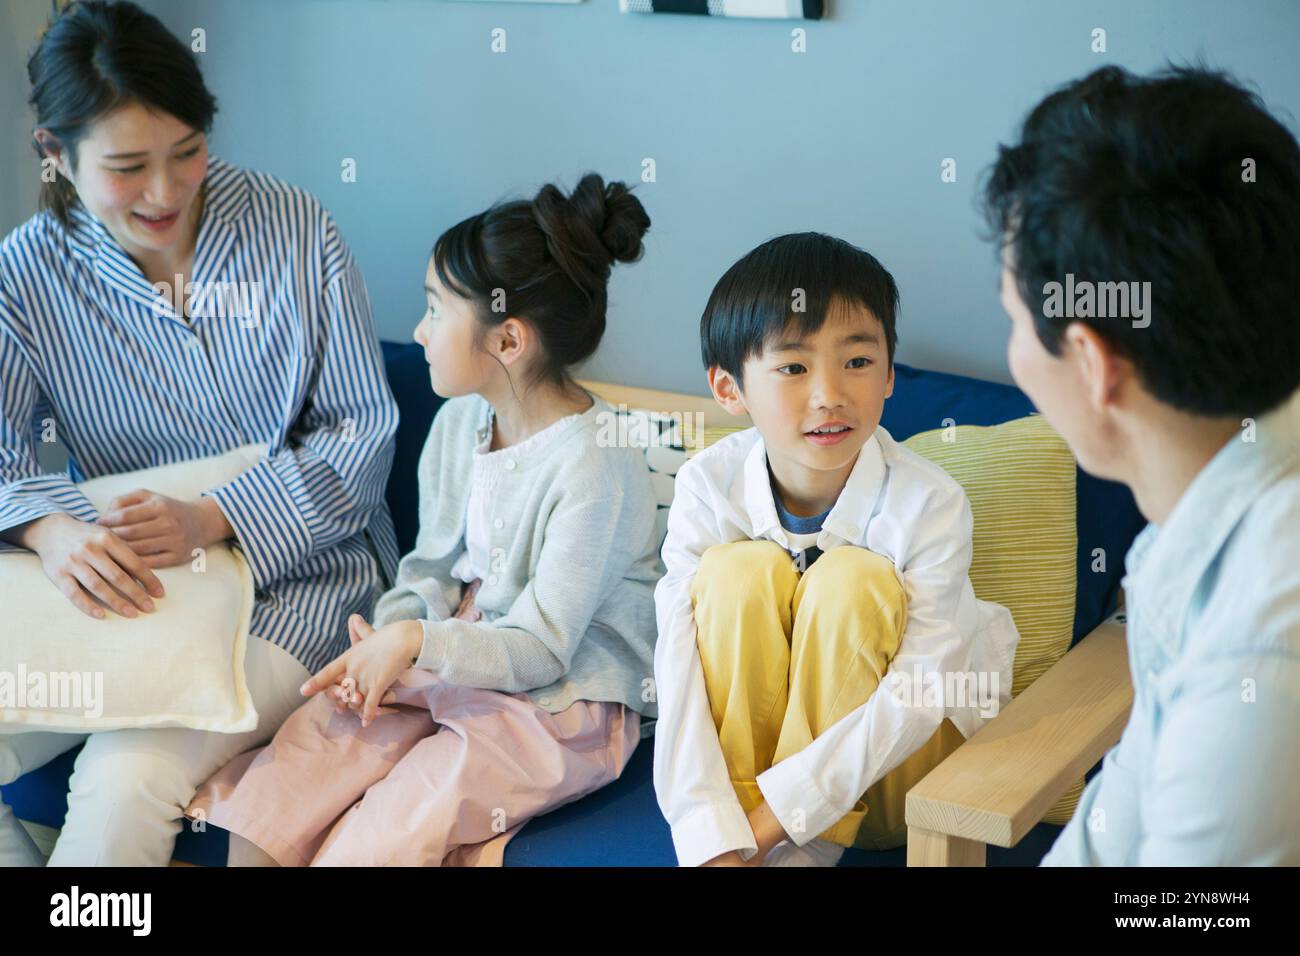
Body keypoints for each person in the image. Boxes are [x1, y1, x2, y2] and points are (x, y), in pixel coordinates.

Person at [0, 0, 398, 866]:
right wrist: (51, 528)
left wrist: (214, 517)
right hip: (128, 593)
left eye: (187, 152)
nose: (166, 191)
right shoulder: (26, 272)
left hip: (305, 585)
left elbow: (362, 435)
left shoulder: (296, 228)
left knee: (126, 775)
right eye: (128, 167)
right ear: (56, 157)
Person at [186, 173, 664, 867]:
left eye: (436, 311)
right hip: (454, 651)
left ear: (507, 341)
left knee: (392, 829)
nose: (418, 332)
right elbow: (432, 568)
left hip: (561, 696)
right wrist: (383, 640)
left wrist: (414, 641)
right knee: (289, 775)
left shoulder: (596, 464)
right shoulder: (460, 422)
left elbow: (542, 647)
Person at [983, 65, 1300, 865]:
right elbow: (1114, 824)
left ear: (1092, 361)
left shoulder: (1258, 654)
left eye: (1014, 318)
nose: (1014, 350)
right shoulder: (1201, 517)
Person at [652, 232, 1019, 867]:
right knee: (738, 573)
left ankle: (788, 855)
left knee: (851, 581)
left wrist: (767, 830)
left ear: (888, 376)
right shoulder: (708, 485)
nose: (829, 394)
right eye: (793, 367)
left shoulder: (930, 504)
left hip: (900, 780)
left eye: (856, 362)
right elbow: (678, 662)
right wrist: (707, 833)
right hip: (747, 793)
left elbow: (921, 691)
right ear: (728, 388)